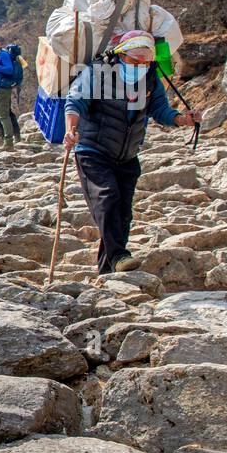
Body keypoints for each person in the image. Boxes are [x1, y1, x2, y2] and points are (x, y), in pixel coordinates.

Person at [63, 30, 201, 274]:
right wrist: (71, 130)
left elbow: (160, 110)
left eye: (145, 61)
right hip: (92, 149)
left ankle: (108, 270)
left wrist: (182, 120)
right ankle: (119, 255)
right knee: (106, 198)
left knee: (123, 211)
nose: (140, 66)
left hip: (127, 154)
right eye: (134, 60)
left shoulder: (149, 79)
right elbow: (75, 101)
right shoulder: (98, 74)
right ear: (119, 55)